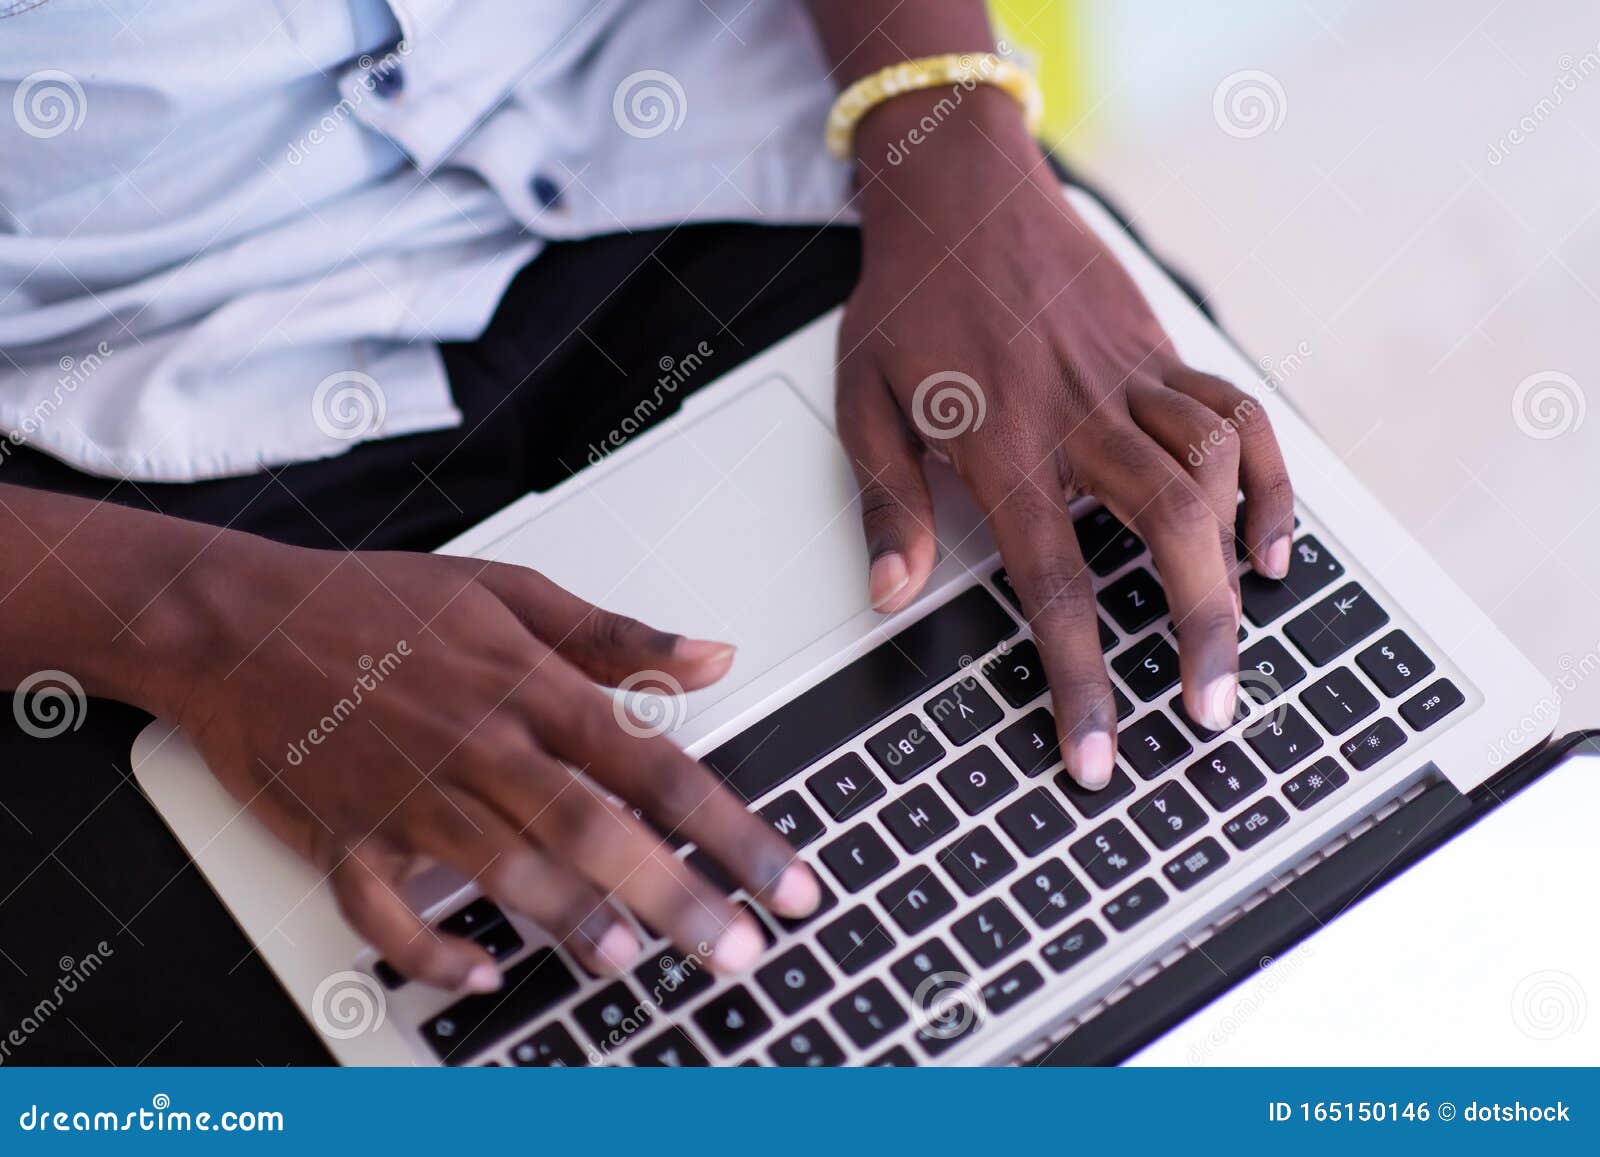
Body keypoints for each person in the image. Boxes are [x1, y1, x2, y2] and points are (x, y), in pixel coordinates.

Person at [0, 1, 1293, 995]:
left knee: (1213, 681)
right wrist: (197, 621)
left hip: (697, 122)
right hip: (99, 430)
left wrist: (947, 125)